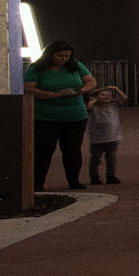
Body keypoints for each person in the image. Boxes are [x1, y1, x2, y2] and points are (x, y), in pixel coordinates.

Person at [29, 40, 93, 189]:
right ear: (50, 55)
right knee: (43, 150)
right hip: (45, 117)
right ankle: (37, 183)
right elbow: (29, 88)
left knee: (72, 149)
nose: (64, 59)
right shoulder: (37, 68)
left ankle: (73, 180)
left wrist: (82, 91)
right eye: (60, 56)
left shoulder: (76, 65)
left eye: (67, 56)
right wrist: (55, 94)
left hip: (75, 116)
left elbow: (91, 81)